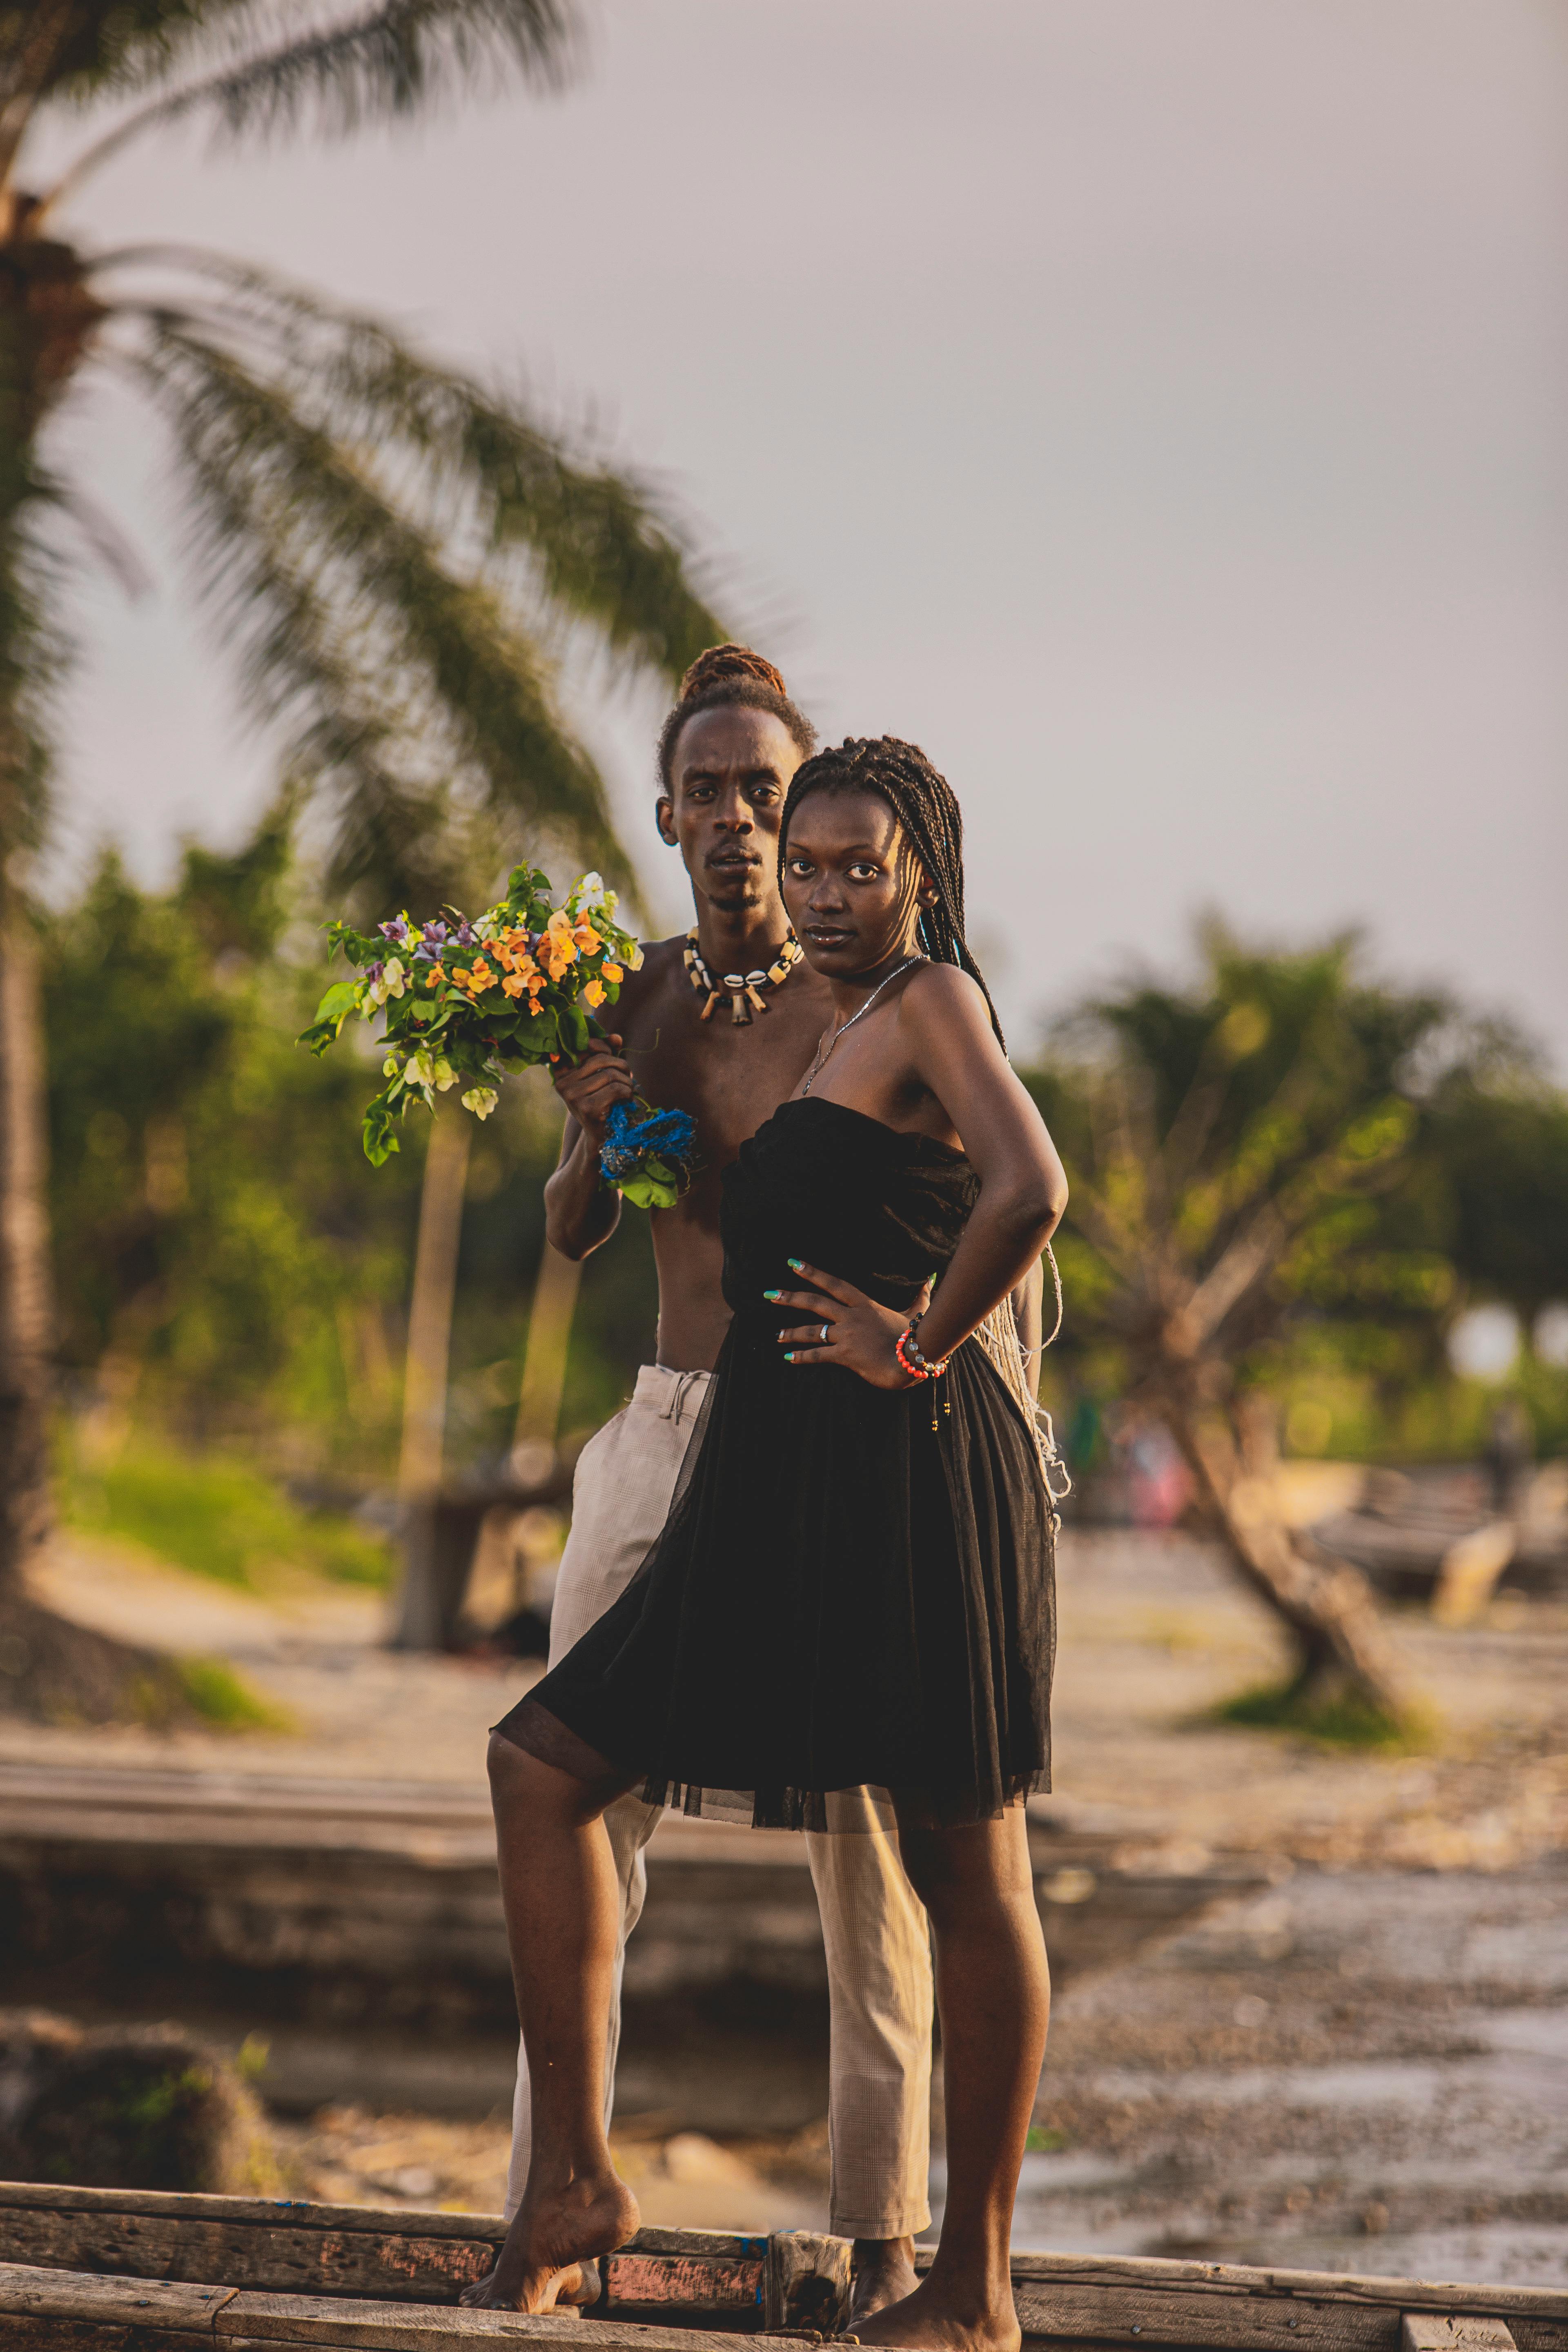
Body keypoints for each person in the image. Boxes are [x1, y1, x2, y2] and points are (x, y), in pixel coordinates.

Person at [471, 734, 1067, 2352]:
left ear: (920, 873)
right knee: (542, 1769)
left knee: (964, 1867)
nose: (816, 886)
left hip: (915, 1483)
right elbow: (623, 1215)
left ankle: (971, 2284)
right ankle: (574, 2185)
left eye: (851, 863)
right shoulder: (791, 1009)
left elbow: (1036, 1187)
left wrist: (923, 1343)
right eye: (805, 862)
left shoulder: (932, 1000)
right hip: (776, 1480)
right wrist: (603, 1120)